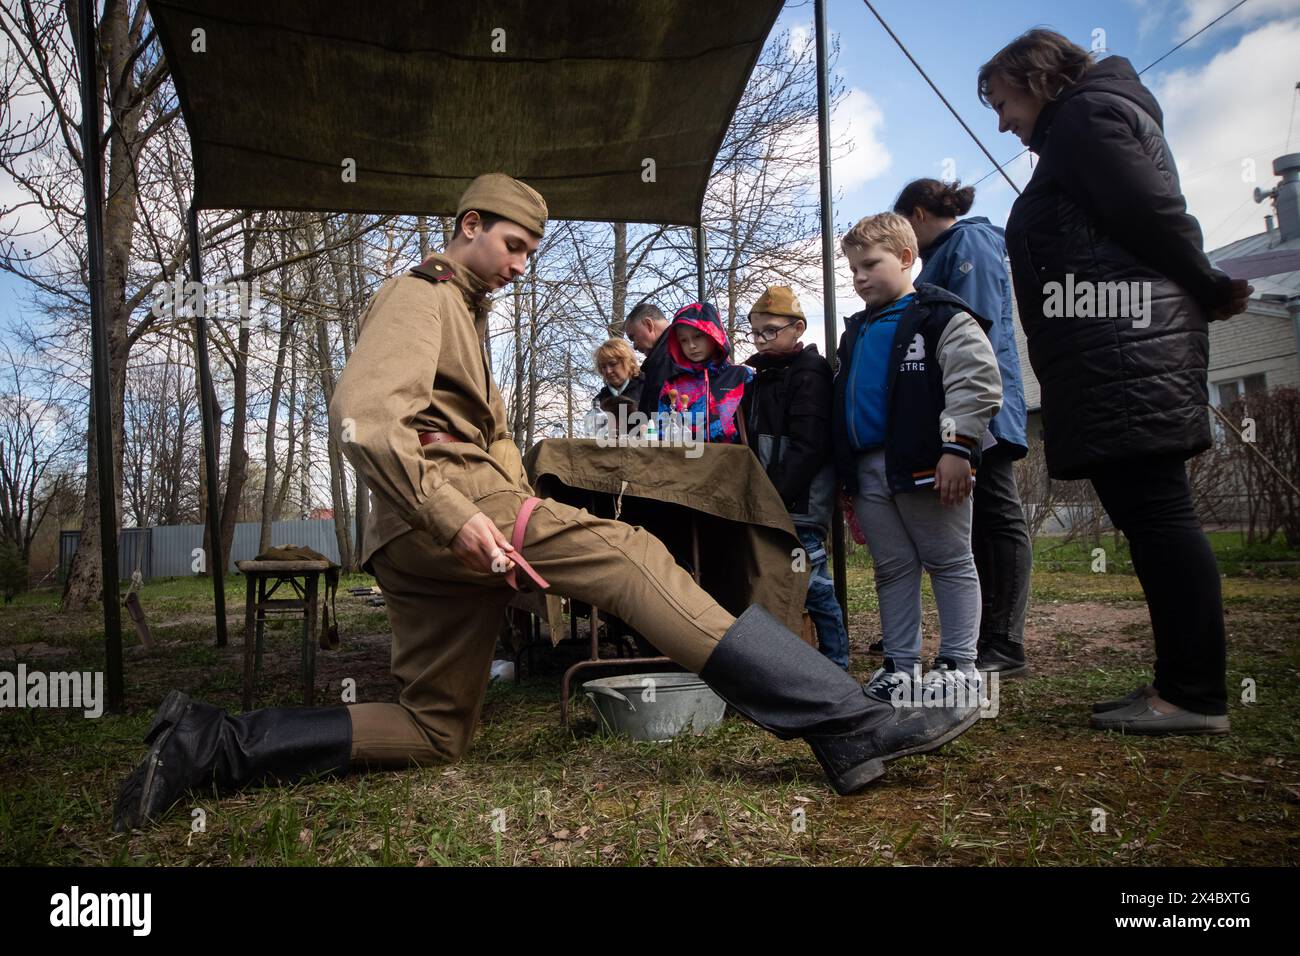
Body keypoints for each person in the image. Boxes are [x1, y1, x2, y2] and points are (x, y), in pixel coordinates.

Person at [113, 175, 985, 831]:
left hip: (423, 538)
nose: (522, 267)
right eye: (514, 247)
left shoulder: (465, 307)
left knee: (434, 729)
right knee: (638, 554)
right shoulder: (421, 296)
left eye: (532, 253)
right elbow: (364, 417)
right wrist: (459, 519)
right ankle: (847, 724)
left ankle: (213, 744)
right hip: (453, 515)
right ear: (468, 227)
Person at [980, 30, 1252, 735]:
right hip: (1120, 347)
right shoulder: (1087, 120)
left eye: (1003, 102)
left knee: (1159, 517)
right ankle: (1179, 684)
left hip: (1127, 348)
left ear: (1037, 79)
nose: (1002, 122)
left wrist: (1209, 283)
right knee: (1152, 518)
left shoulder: (1084, 117)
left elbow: (1148, 211)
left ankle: (1193, 694)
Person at [831, 212, 1002, 710]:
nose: (860, 277)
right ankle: (901, 667)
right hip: (869, 471)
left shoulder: (940, 315)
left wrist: (959, 447)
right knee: (893, 568)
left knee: (949, 561)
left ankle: (957, 666)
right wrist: (847, 476)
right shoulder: (855, 331)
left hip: (931, 463)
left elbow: (974, 380)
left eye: (870, 264)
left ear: (906, 259)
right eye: (853, 268)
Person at [894, 178, 1031, 678]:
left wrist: (965, 418)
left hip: (981, 411)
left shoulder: (969, 244)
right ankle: (977, 638)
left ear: (917, 214)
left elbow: (971, 329)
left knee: (997, 517)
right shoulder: (949, 252)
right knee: (975, 524)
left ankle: (1005, 642)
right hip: (957, 409)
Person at [739, 285, 850, 669]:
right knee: (777, 582)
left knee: (814, 584)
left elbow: (809, 446)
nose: (761, 339)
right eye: (755, 331)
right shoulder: (762, 377)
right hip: (772, 500)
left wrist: (776, 494)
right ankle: (789, 663)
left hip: (799, 503)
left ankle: (837, 663)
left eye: (771, 330)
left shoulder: (809, 374)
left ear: (797, 328)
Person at [657, 302, 752, 443]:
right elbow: (662, 432)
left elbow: (756, 425)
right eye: (683, 340)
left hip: (734, 461)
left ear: (713, 334)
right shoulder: (673, 385)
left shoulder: (741, 376)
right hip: (687, 461)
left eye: (698, 336)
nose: (691, 345)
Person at [623, 301, 672, 419]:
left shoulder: (669, 358)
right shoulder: (661, 358)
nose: (634, 346)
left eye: (633, 337)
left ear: (649, 324)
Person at [591, 338, 644, 415]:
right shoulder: (599, 401)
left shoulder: (647, 388)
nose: (608, 371)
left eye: (613, 364)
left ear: (628, 362)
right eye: (603, 367)